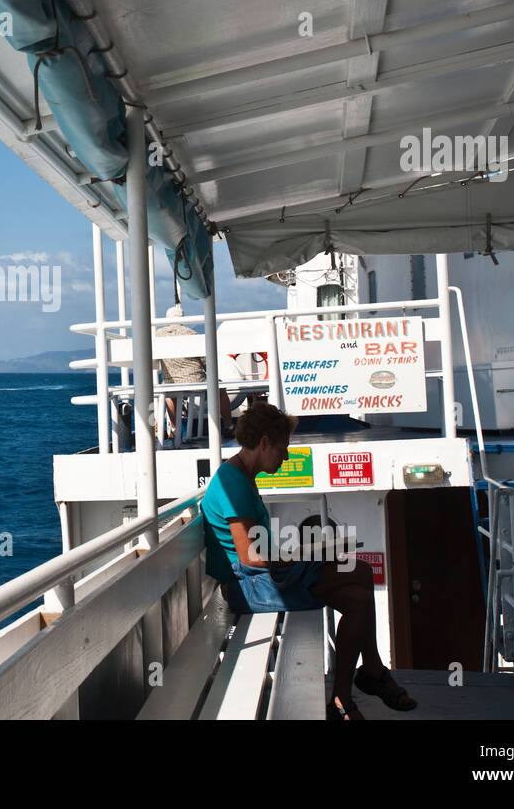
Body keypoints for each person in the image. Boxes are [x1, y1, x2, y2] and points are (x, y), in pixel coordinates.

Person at [200, 401, 417, 720]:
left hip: (258, 579)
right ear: (264, 443)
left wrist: (303, 555)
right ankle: (362, 681)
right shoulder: (233, 483)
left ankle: (353, 689)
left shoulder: (240, 476)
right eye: (282, 449)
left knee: (357, 592)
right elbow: (251, 556)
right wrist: (304, 554)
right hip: (248, 586)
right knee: (359, 576)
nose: (285, 457)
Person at [156, 304, 233, 439]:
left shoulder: (158, 335)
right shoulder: (192, 334)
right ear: (182, 318)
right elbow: (205, 361)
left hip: (172, 382)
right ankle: (229, 426)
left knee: (169, 395)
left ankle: (174, 429)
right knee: (220, 388)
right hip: (197, 380)